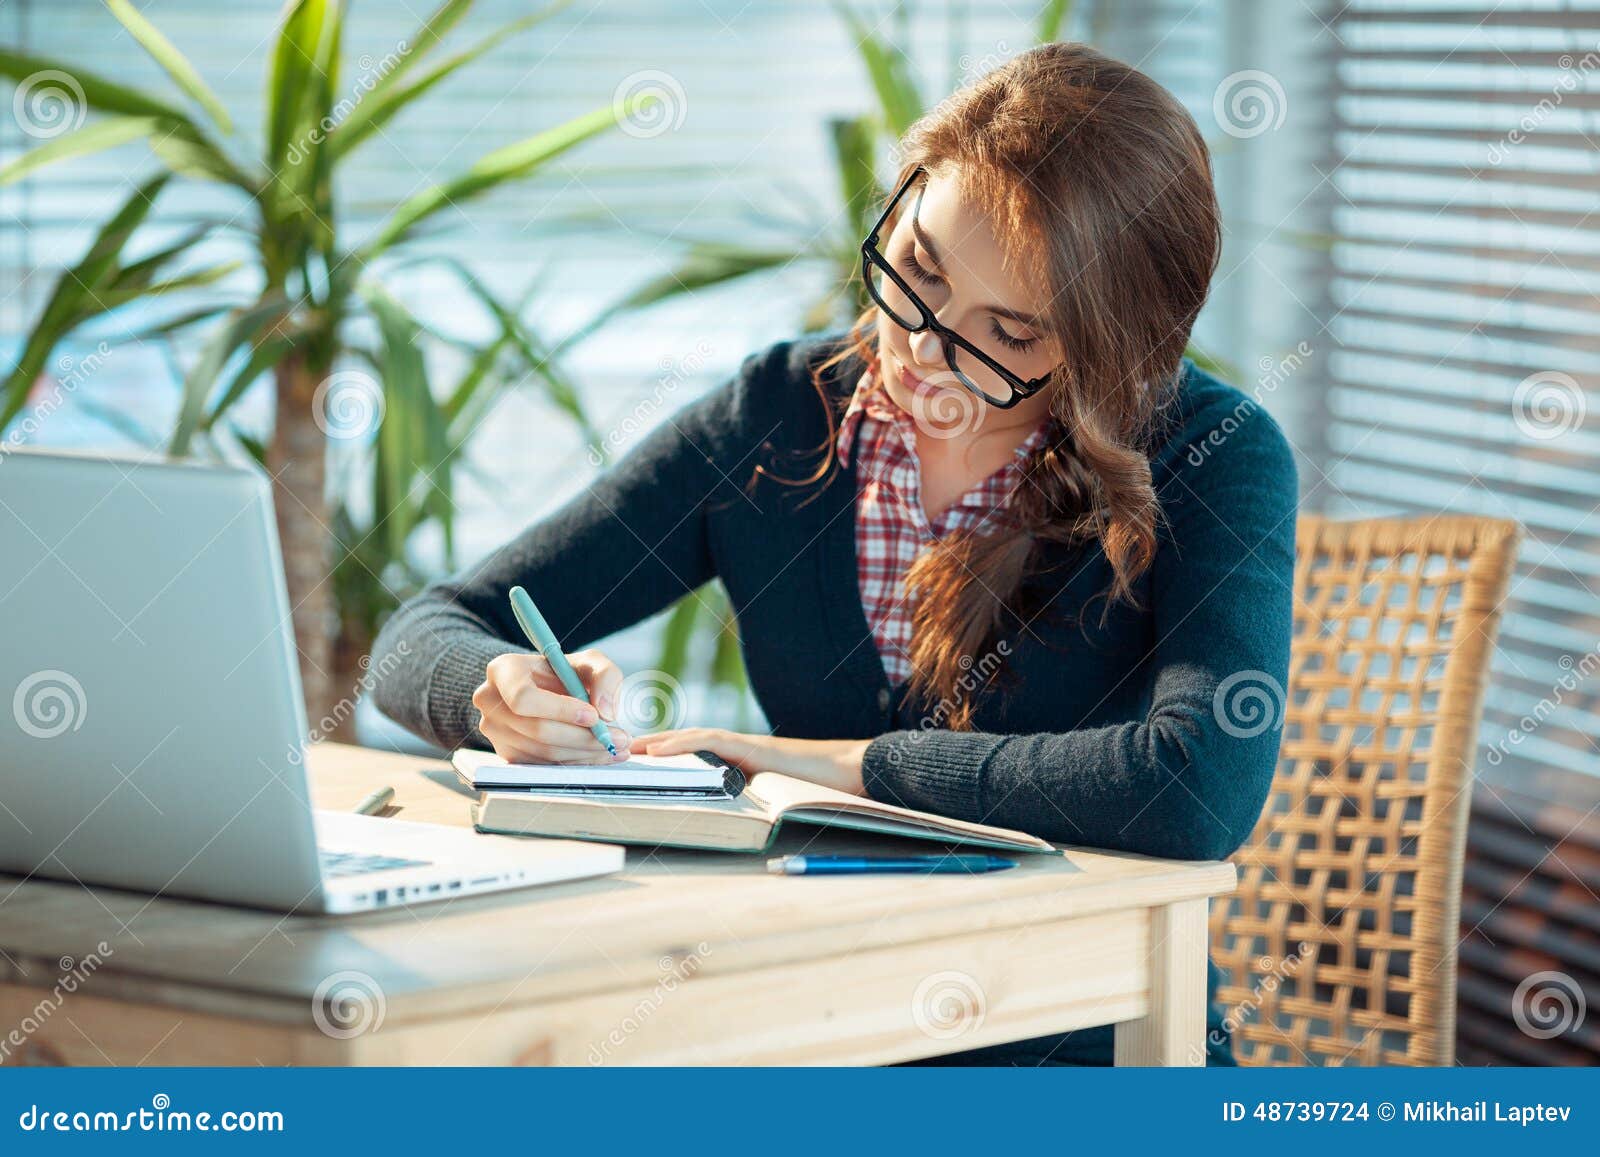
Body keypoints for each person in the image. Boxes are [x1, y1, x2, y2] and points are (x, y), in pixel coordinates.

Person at [373, 40, 1297, 1066]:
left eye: (1010, 332)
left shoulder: (1210, 454)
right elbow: (425, 630)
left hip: (1082, 1041)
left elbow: (1197, 785)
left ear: (1107, 341)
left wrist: (840, 770)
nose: (920, 348)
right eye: (917, 271)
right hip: (815, 1027)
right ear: (896, 205)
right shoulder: (774, 418)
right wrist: (491, 689)